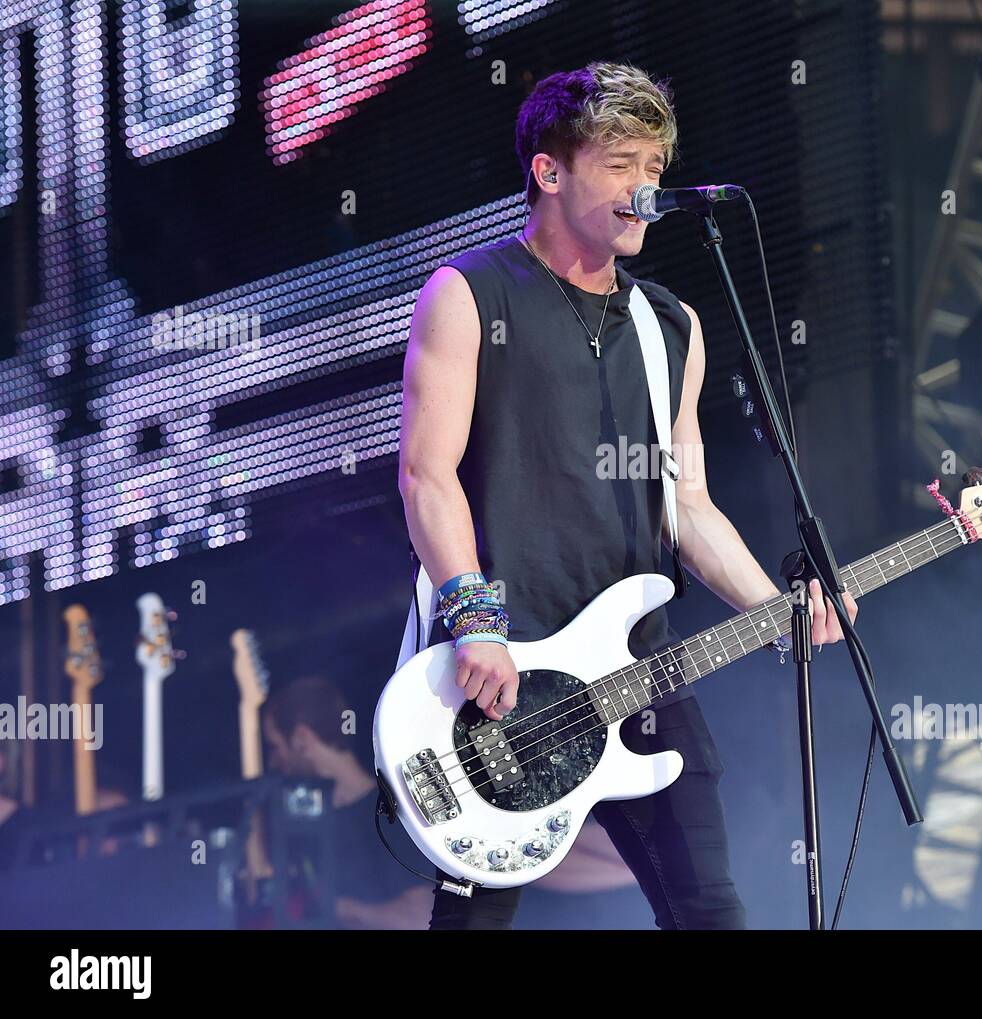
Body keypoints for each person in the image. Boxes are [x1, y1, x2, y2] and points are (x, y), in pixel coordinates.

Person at [399, 60, 856, 930]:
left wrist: (777, 610)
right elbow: (426, 475)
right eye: (622, 165)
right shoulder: (466, 295)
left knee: (709, 912)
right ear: (550, 171)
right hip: (499, 677)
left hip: (638, 665)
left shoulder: (669, 325)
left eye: (656, 168)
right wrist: (475, 621)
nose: (646, 188)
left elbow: (688, 505)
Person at [264, 676, 429, 929]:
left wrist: (343, 911)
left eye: (275, 747)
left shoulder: (392, 812)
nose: (274, 762)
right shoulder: (309, 826)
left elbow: (421, 919)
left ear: (301, 738)